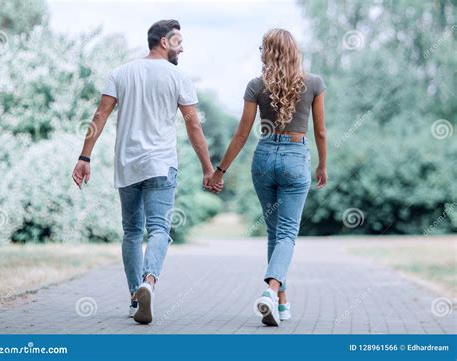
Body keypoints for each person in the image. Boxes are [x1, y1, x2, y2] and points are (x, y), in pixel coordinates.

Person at [71, 19, 222, 325]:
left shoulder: (121, 73)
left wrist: (84, 156)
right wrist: (209, 168)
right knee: (159, 230)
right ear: (163, 42)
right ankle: (148, 283)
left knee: (131, 231)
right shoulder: (178, 76)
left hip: (127, 164)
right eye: (178, 40)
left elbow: (99, 115)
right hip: (161, 164)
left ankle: (133, 298)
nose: (182, 46)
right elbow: (193, 124)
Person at [208, 28, 328, 326]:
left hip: (263, 159)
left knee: (275, 233)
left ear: (269, 52)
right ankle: (271, 291)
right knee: (286, 233)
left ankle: (282, 304)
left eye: (262, 47)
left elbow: (242, 133)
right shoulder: (313, 83)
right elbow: (321, 131)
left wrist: (219, 170)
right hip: (295, 158)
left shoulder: (255, 86)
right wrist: (323, 165)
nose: (260, 52)